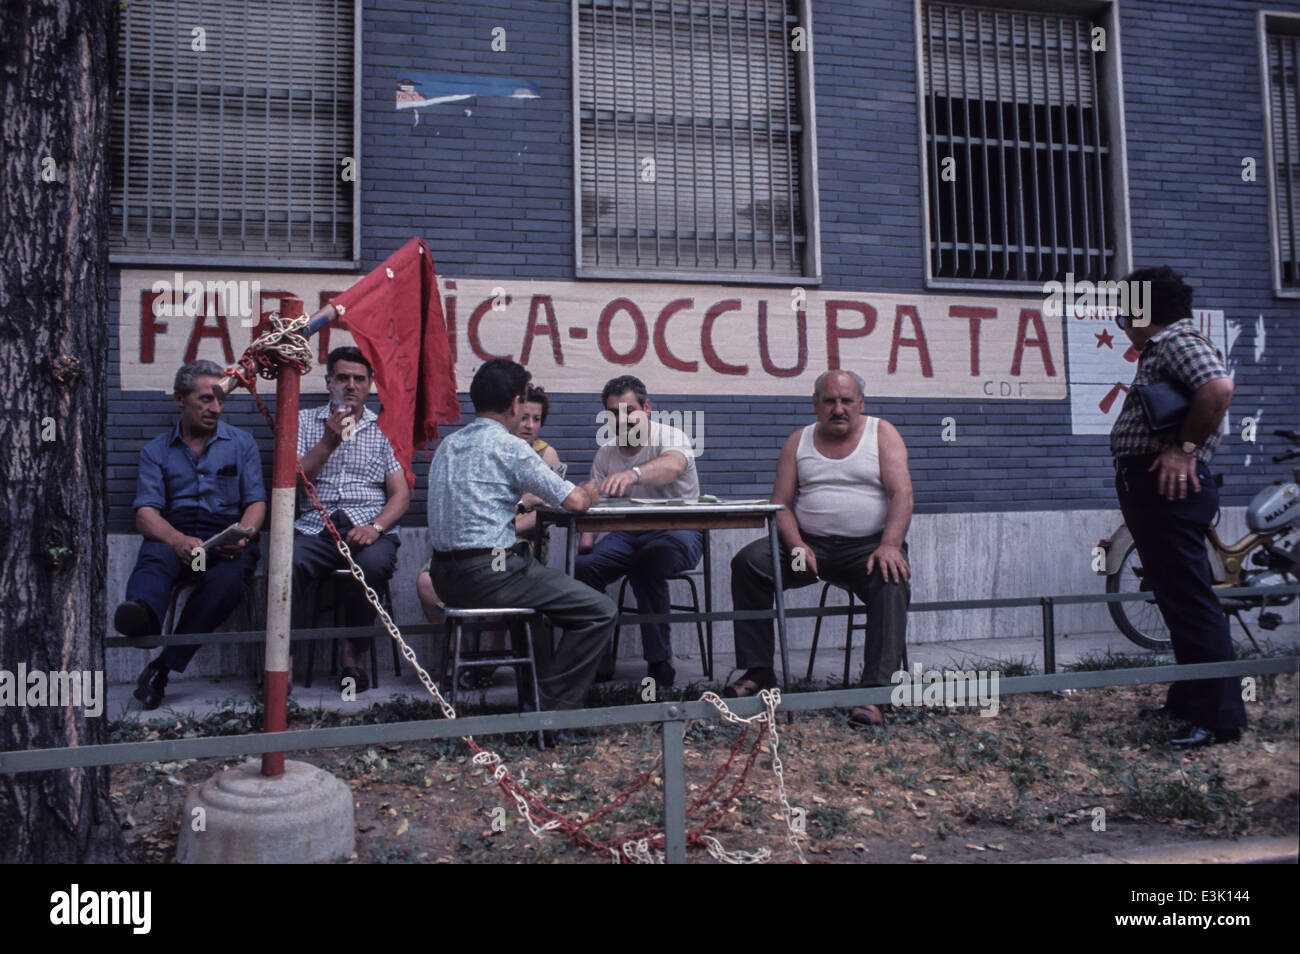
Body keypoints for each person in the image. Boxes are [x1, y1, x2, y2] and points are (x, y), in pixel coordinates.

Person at [426, 358, 613, 737]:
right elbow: (574, 502)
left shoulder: (448, 445)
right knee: (600, 610)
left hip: (443, 577)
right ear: (515, 404)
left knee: (536, 608)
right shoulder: (510, 447)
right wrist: (595, 487)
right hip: (492, 571)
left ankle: (534, 701)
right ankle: (555, 713)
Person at [728, 369, 913, 727]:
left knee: (892, 579)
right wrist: (796, 545)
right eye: (829, 400)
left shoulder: (882, 433)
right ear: (815, 404)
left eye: (846, 400)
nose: (838, 408)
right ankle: (759, 672)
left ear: (861, 402)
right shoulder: (798, 441)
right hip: (810, 550)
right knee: (750, 563)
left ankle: (873, 696)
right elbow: (780, 504)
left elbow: (902, 493)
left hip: (868, 550)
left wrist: (890, 544)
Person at [1110, 266, 1244, 747]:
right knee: (1176, 596)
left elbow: (1218, 389)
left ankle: (1218, 717)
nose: (1121, 316)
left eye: (1126, 306)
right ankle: (1191, 700)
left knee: (1190, 598)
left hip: (1170, 487)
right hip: (1155, 490)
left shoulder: (1177, 342)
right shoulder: (1167, 346)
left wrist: (1182, 450)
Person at [115, 360, 267, 710]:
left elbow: (256, 503)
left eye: (220, 400)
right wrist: (176, 540)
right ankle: (142, 617)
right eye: (205, 399)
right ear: (180, 400)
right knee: (155, 557)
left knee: (226, 584)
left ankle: (161, 668)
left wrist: (243, 535)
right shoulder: (156, 450)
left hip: (225, 535)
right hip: (178, 530)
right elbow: (145, 513)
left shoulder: (241, 444)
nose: (215, 408)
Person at [418, 384, 564, 686]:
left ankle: (490, 657)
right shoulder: (490, 447)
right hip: (478, 545)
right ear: (511, 413)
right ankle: (454, 653)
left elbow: (547, 511)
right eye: (525, 417)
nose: (529, 425)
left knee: (499, 572)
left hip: (519, 543)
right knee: (425, 582)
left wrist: (504, 527)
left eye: (537, 420)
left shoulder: (544, 454)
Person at [292, 346, 410, 694]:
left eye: (359, 379)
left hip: (369, 526)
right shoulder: (302, 422)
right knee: (288, 565)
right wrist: (329, 439)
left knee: (373, 566)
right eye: (342, 378)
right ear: (329, 382)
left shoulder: (384, 428)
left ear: (371, 385)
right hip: (316, 527)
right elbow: (294, 482)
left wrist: (375, 528)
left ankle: (352, 655)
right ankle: (283, 659)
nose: (351, 385)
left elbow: (400, 495)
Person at [575, 375, 703, 689]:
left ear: (646, 408)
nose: (623, 419)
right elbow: (593, 501)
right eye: (614, 413)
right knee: (584, 568)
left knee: (647, 566)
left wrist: (633, 475)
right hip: (627, 533)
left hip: (679, 531)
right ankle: (598, 656)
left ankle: (659, 664)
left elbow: (672, 466)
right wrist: (587, 543)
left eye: (629, 410)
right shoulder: (606, 453)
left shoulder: (671, 437)